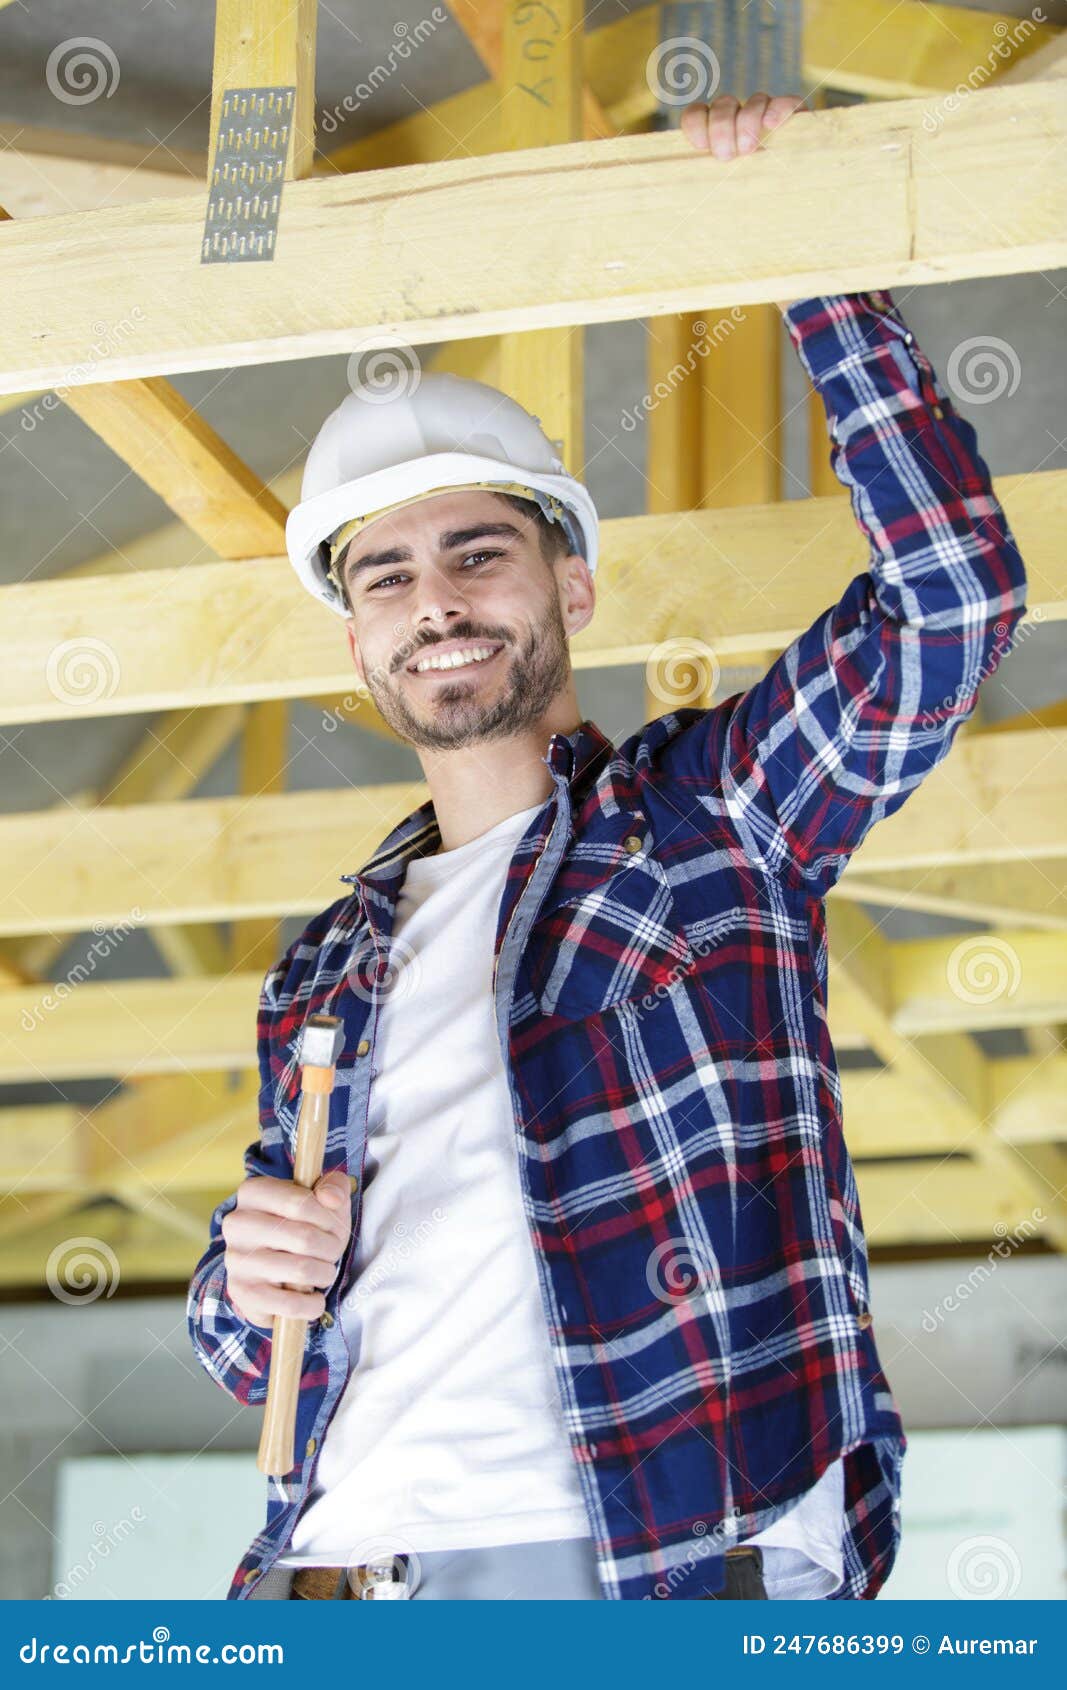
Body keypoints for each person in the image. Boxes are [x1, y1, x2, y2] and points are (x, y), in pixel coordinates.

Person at [187, 92, 1027, 1601]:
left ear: (571, 587)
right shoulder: (325, 966)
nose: (434, 600)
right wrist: (238, 1282)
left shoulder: (715, 825)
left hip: (654, 1564)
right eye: (387, 574)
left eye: (478, 553)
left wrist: (816, 251)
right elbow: (254, 1339)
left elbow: (951, 603)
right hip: (334, 1579)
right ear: (362, 638)